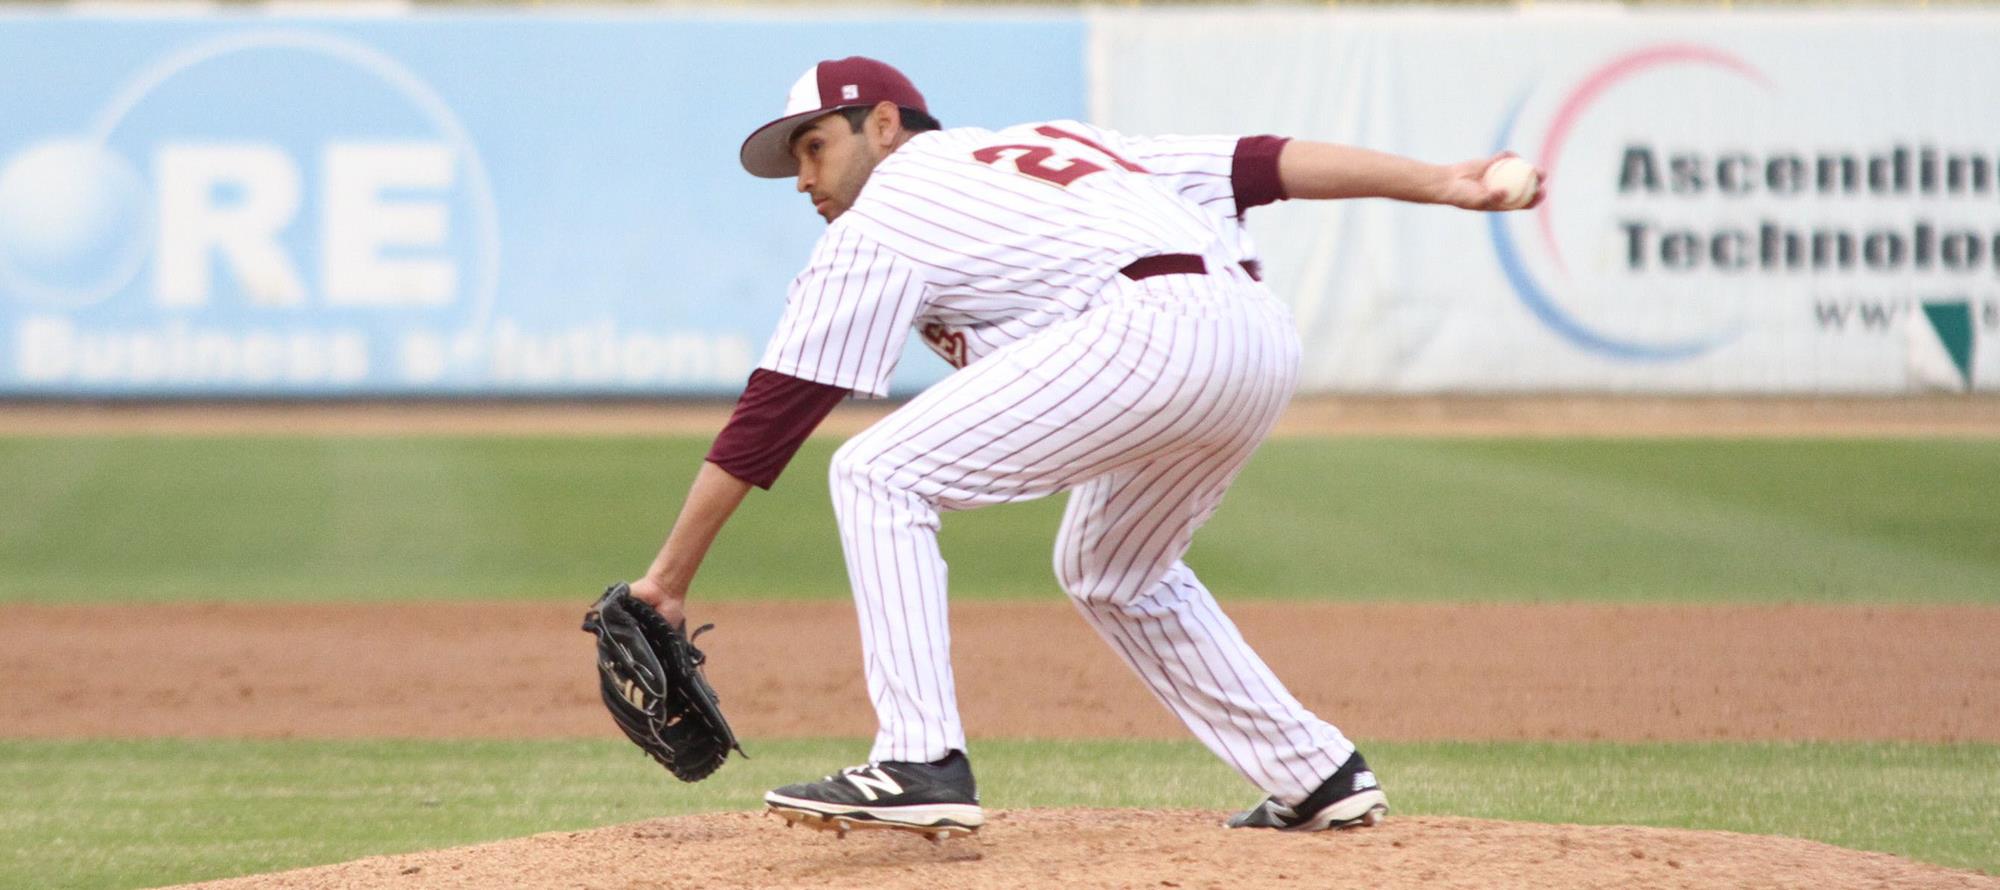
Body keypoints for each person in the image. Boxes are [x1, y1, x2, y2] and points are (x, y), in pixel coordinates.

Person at [625, 56, 1542, 839]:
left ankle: (918, 759)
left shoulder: (894, 201)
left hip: (1148, 331)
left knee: (877, 471)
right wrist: (1444, 182)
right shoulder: (1061, 149)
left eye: (815, 145)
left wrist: (666, 579)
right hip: (1254, 336)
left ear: (887, 124)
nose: (803, 178)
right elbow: (1264, 164)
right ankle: (1317, 776)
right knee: (1111, 565)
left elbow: (779, 406)